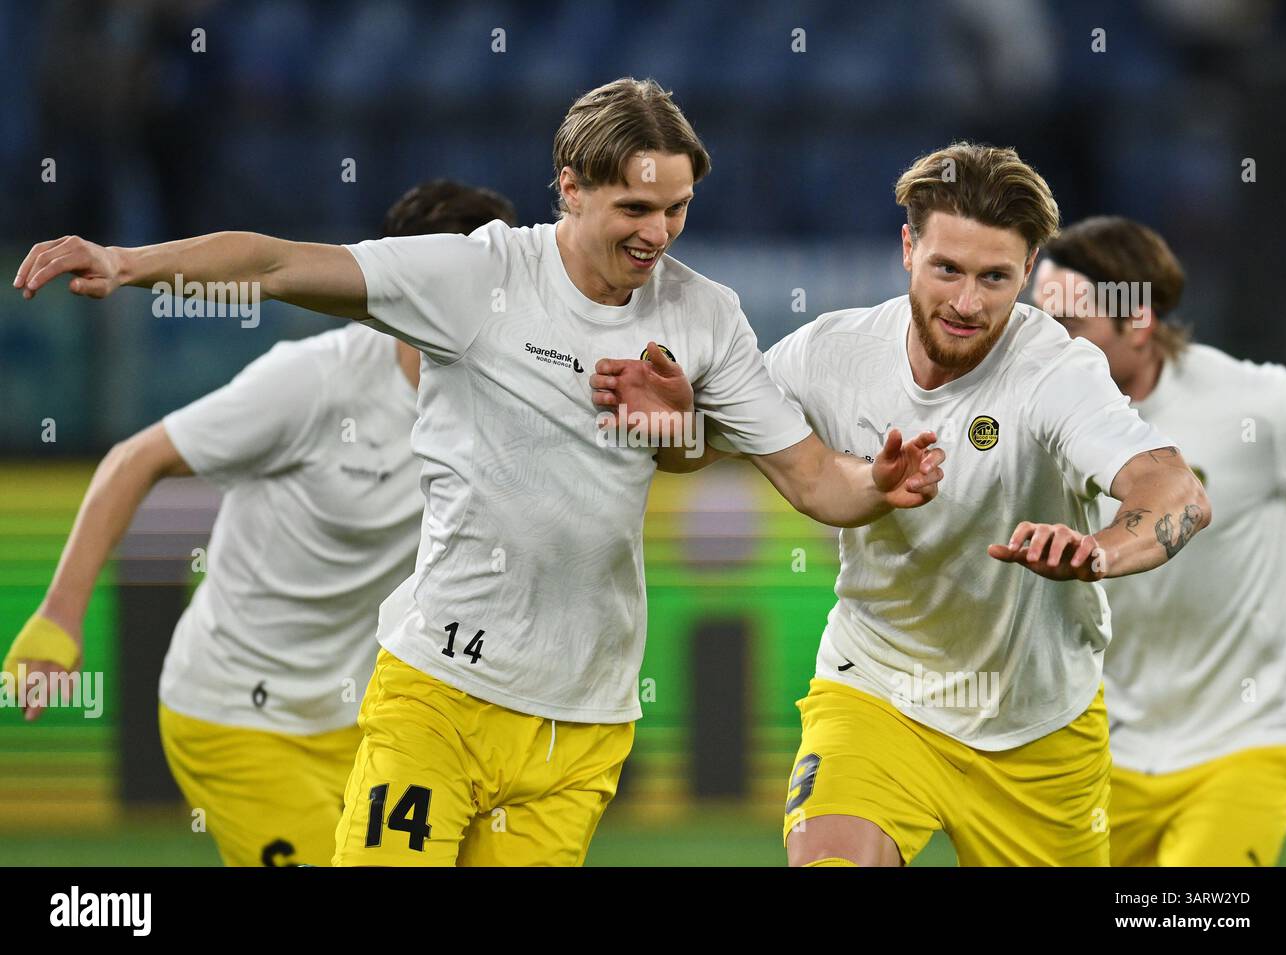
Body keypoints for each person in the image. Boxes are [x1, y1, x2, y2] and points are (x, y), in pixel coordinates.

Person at [13, 78, 944, 867]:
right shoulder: (474, 278)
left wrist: (880, 484)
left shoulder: (705, 315)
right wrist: (129, 261)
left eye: (677, 209)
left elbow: (813, 478)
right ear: (571, 189)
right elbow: (276, 261)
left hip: (583, 720)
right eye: (635, 208)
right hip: (441, 696)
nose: (660, 234)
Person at [637, 143, 1212, 866]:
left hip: (1036, 727)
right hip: (878, 693)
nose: (968, 303)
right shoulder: (830, 353)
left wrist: (1100, 551)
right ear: (908, 248)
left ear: (1028, 271)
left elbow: (1175, 492)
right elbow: (700, 448)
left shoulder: (1058, 372)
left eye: (995, 278)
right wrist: (672, 422)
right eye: (949, 270)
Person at [3, 179, 517, 866]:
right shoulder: (313, 382)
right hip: (234, 719)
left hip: (362, 722)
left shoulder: (507, 403)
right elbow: (135, 459)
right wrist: (59, 617)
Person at [1033, 215, 1286, 866]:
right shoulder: (1033, 415)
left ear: (1138, 322)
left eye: (1070, 327)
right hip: (1107, 745)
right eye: (1038, 322)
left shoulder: (1258, 407)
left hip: (1245, 740)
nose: (1046, 345)